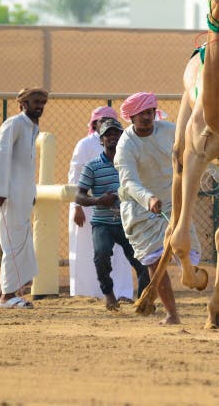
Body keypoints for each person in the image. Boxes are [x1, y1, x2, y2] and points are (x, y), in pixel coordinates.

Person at [114, 92, 200, 325]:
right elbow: (128, 181)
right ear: (131, 117)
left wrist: (218, 173)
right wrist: (148, 198)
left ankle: (191, 275)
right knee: (155, 262)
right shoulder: (126, 145)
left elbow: (193, 155)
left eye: (150, 112)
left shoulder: (169, 130)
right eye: (141, 113)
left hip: (173, 202)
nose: (146, 117)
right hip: (141, 209)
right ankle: (172, 314)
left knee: (184, 251)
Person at [75, 118, 150, 310]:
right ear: (101, 140)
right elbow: (79, 196)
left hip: (129, 221)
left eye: (117, 133)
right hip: (103, 222)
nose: (113, 137)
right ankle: (109, 295)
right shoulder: (93, 167)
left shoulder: (132, 163)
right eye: (108, 134)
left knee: (143, 261)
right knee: (101, 256)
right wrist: (99, 201)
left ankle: (143, 300)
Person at [68, 106, 135, 300]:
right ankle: (87, 293)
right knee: (92, 252)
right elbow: (75, 177)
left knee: (122, 256)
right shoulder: (84, 144)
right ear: (94, 123)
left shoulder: (124, 144)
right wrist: (77, 206)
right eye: (101, 120)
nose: (105, 124)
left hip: (119, 208)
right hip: (89, 208)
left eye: (110, 120)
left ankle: (122, 293)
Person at [0, 87, 48, 309]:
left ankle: (6, 291)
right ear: (23, 103)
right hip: (8, 196)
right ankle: (7, 296)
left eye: (43, 102)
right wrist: (0, 191)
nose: (40, 106)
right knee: (12, 245)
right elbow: (1, 156)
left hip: (23, 197)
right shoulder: (13, 124)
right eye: (36, 101)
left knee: (21, 243)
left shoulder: (32, 127)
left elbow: (26, 166)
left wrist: (31, 193)